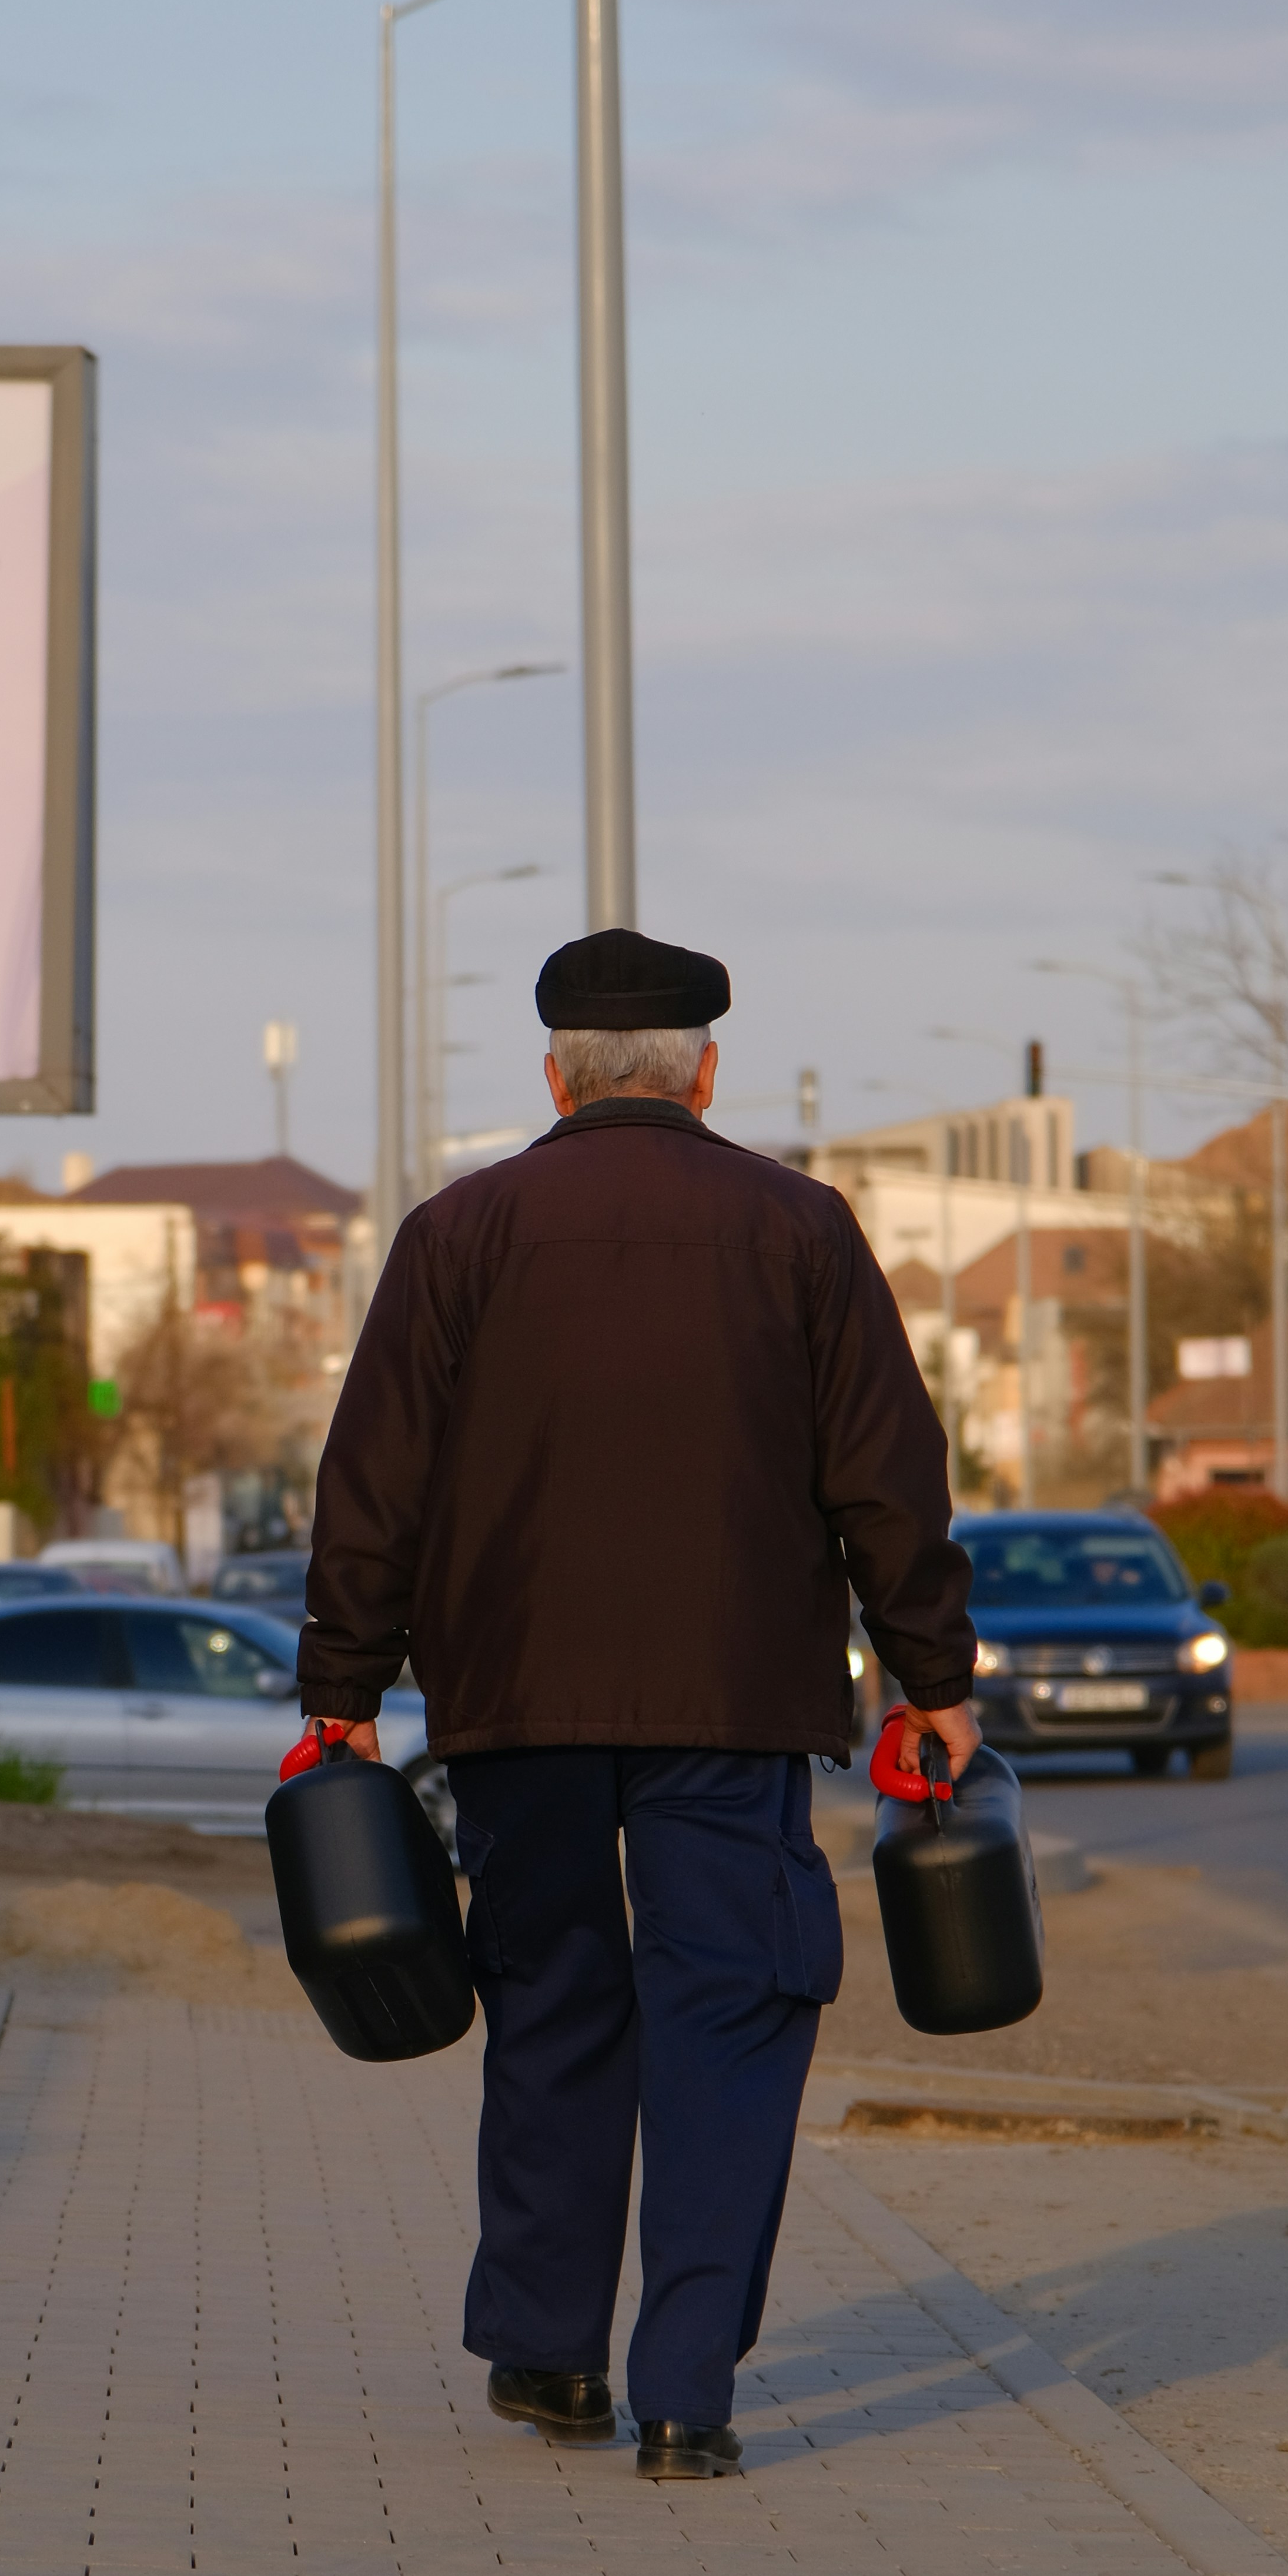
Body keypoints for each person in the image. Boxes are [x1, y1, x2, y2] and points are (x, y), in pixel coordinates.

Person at [296, 927, 976, 2480]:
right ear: (706, 1067)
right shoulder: (801, 1230)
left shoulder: (458, 1233)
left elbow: (375, 1483)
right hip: (733, 1706)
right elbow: (888, 1480)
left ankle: (546, 2355)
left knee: (548, 2008)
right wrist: (933, 1680)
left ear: (553, 1073)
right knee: (729, 2017)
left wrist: (340, 1691)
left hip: (513, 1704)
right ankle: (686, 2397)